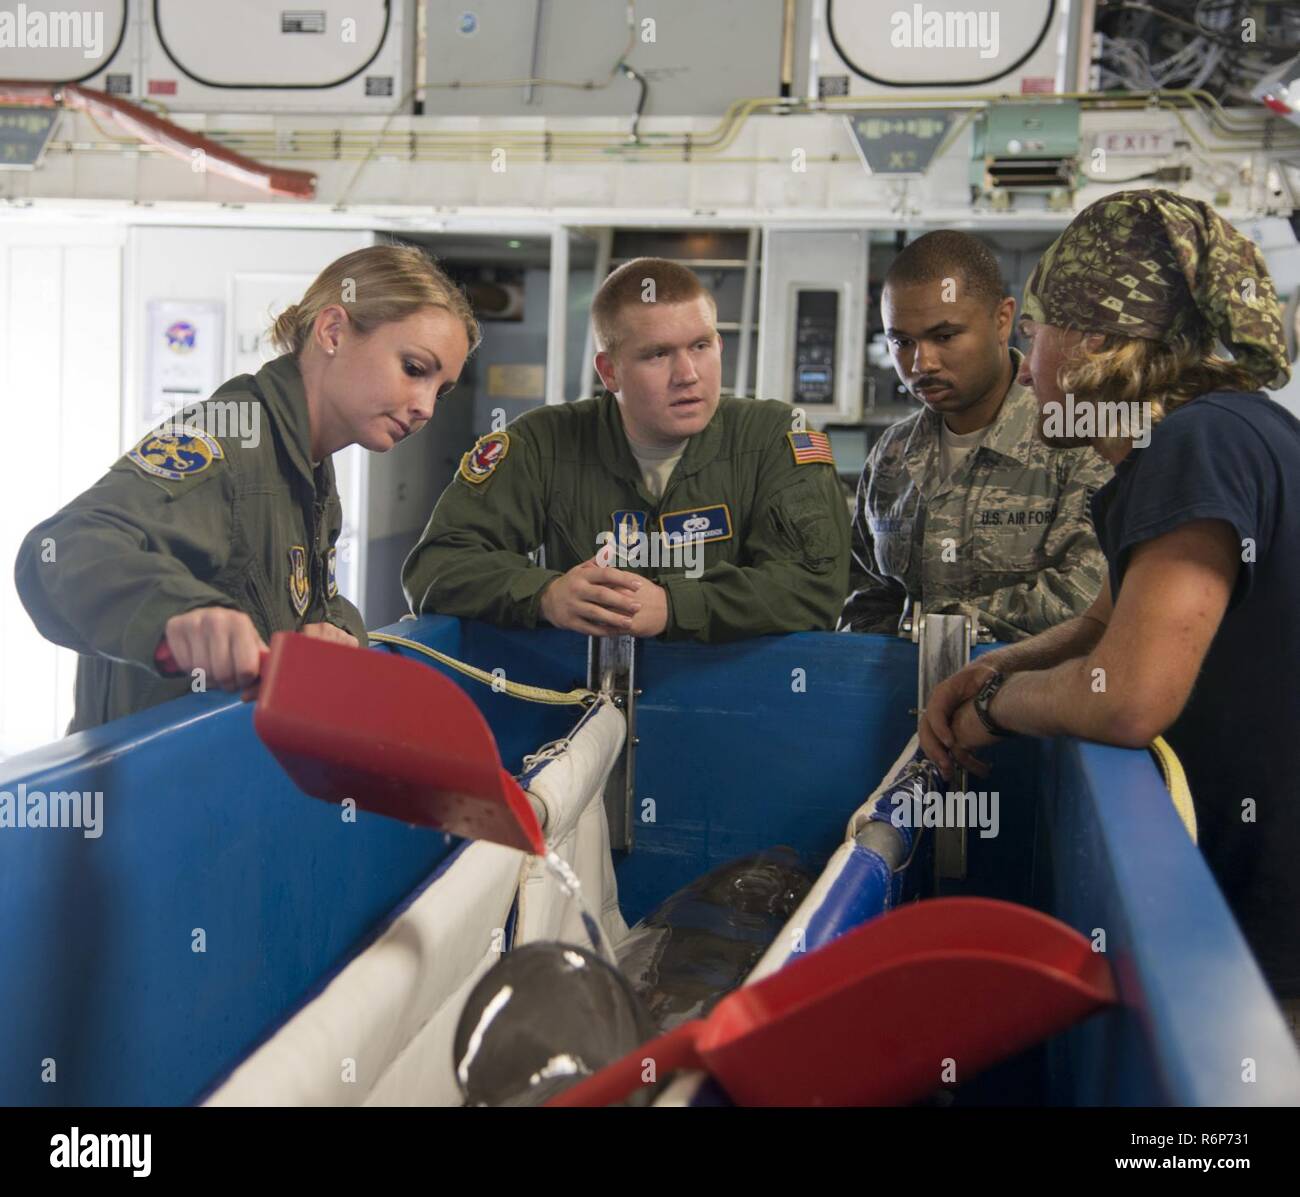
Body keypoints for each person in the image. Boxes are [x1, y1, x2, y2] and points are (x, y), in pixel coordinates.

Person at [918, 190, 1300, 1008]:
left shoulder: (1196, 444)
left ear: (1094, 339)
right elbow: (1105, 622)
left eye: (1039, 328)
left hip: (1275, 945)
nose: (1031, 354)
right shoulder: (1222, 433)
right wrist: (991, 668)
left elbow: (1129, 696)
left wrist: (997, 707)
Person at [15, 245, 476, 732]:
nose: (426, 406)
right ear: (333, 332)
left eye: (440, 390)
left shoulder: (308, 468)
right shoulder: (228, 438)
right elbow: (62, 549)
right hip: (146, 787)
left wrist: (339, 632)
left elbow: (304, 598)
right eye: (413, 368)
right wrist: (179, 614)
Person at [402, 257, 850, 641]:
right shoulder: (542, 444)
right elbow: (437, 567)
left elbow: (814, 589)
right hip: (582, 714)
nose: (688, 373)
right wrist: (544, 595)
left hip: (736, 712)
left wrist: (675, 607)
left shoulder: (774, 438)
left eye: (701, 346)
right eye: (658, 355)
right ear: (610, 371)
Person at [840, 231, 1110, 640]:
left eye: (944, 336)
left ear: (1002, 320)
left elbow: (1086, 597)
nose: (922, 363)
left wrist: (940, 627)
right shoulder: (891, 457)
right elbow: (866, 594)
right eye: (902, 341)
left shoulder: (1076, 441)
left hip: (1031, 698)